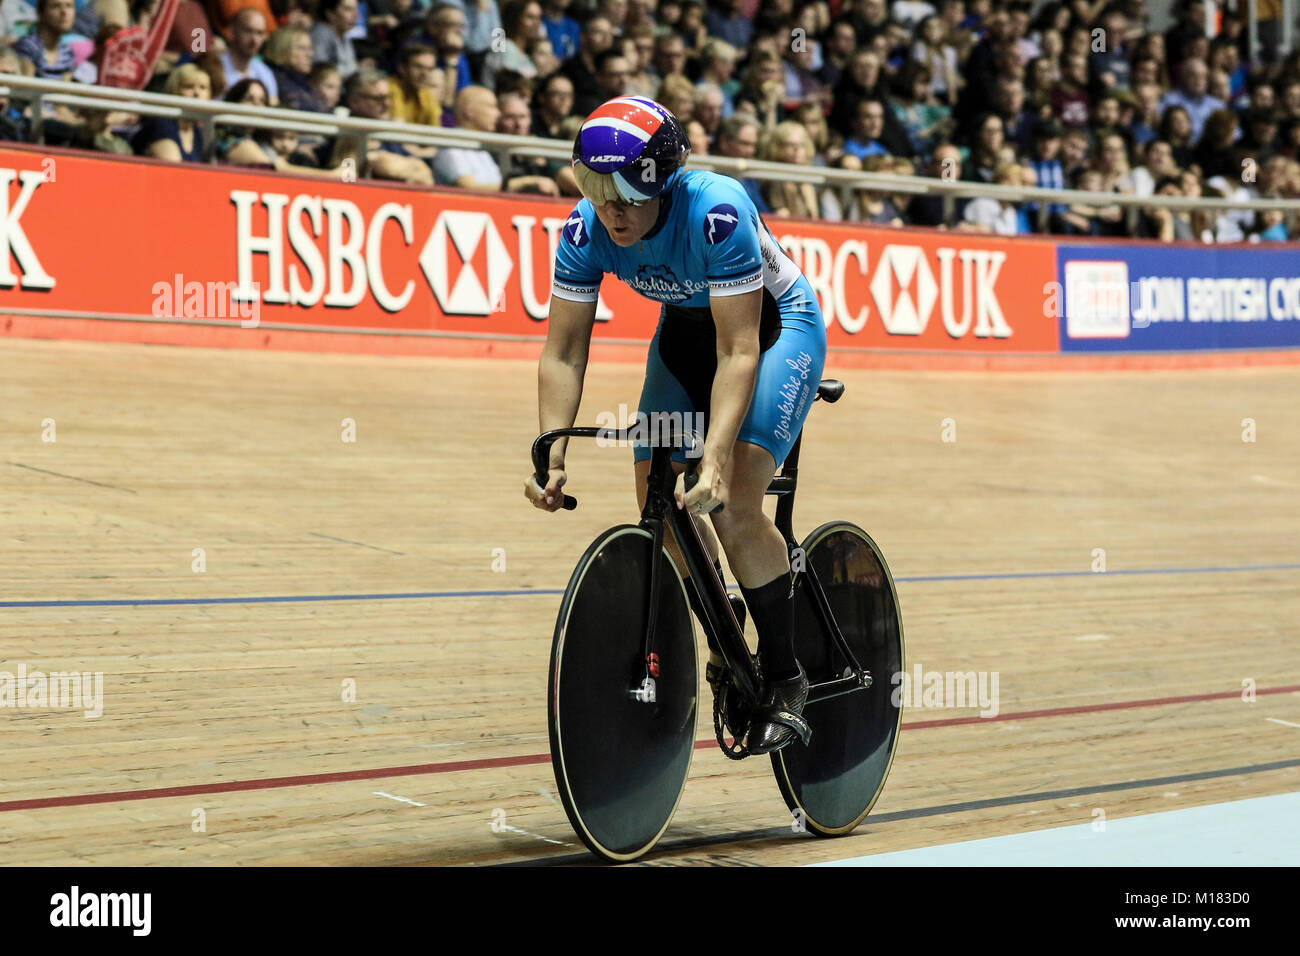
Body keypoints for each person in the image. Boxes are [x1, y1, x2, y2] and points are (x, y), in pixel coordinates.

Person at [527, 95, 827, 756]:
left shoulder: (716, 211)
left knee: (737, 501)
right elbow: (564, 352)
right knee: (658, 504)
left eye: (628, 197)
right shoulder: (584, 230)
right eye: (597, 192)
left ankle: (785, 675)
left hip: (774, 332)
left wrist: (716, 455)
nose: (612, 211)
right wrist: (549, 447)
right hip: (687, 336)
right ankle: (724, 616)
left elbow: (739, 352)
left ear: (663, 181)